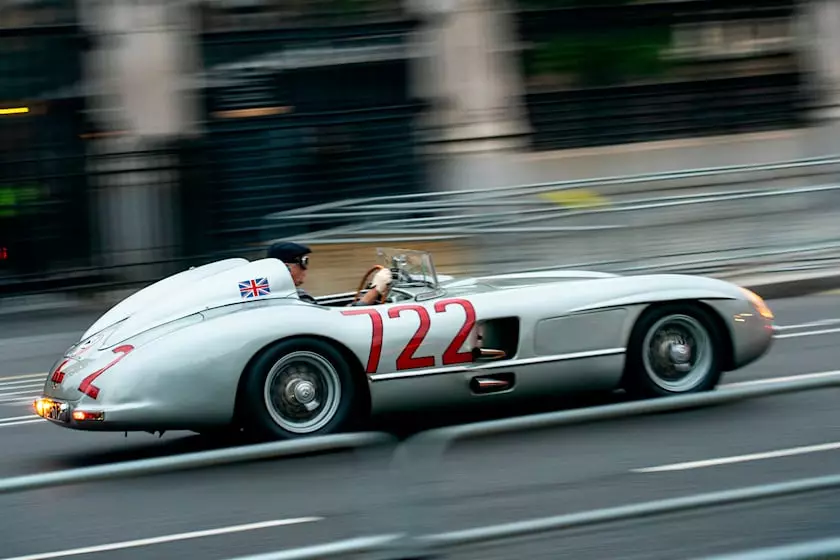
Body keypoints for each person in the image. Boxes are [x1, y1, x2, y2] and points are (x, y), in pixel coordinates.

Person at [266, 241, 392, 306]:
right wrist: (375, 291)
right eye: (303, 262)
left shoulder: (271, 293)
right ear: (286, 268)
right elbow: (337, 322)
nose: (306, 269)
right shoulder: (293, 298)